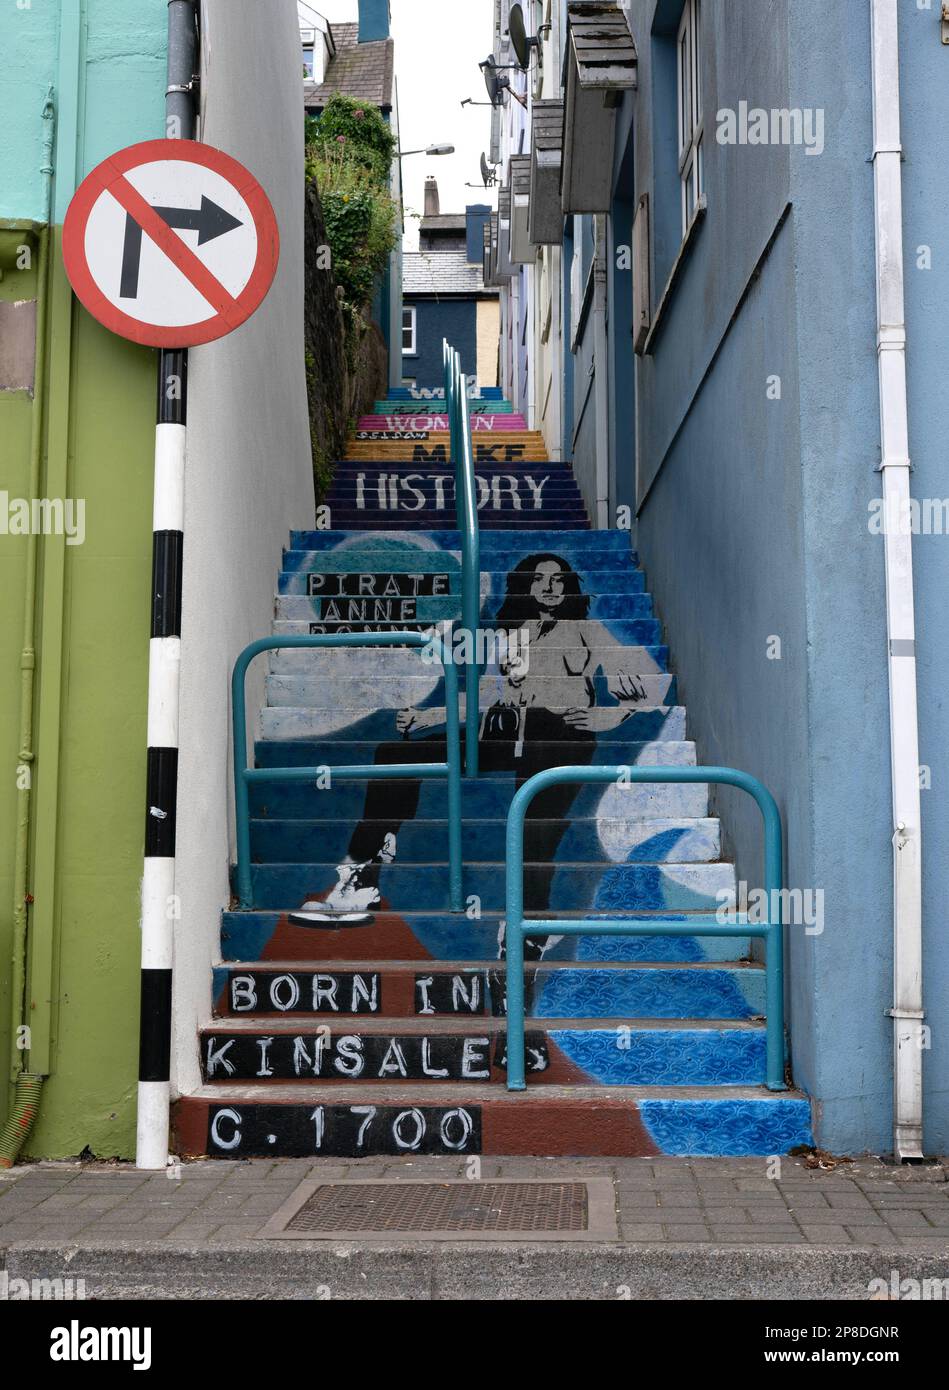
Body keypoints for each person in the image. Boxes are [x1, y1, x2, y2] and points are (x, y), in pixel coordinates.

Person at [289, 554, 659, 940]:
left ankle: (530, 927)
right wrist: (428, 718)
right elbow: (485, 695)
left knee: (535, 823)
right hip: (506, 731)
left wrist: (608, 717)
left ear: (569, 587)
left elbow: (649, 680)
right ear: (525, 587)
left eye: (558, 579)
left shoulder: (588, 630)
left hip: (561, 737)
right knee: (395, 755)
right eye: (539, 580)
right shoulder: (510, 636)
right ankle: (360, 878)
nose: (549, 587)